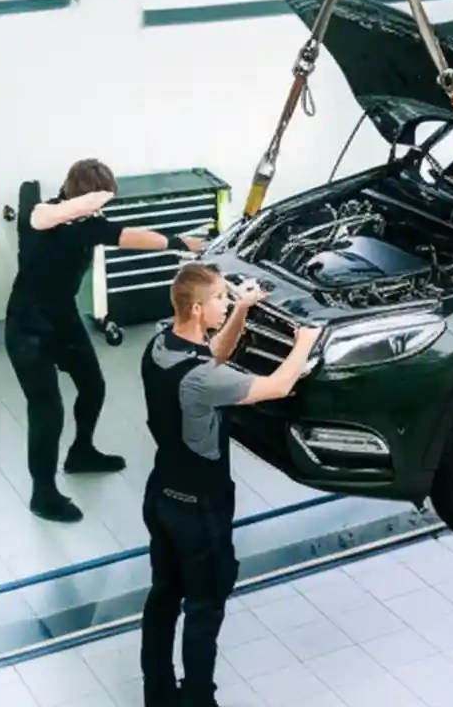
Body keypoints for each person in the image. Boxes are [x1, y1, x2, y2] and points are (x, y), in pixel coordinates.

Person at [139, 263, 320, 707]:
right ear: (197, 309)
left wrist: (242, 310)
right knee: (204, 609)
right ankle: (199, 700)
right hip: (199, 511)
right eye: (220, 297)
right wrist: (306, 341)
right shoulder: (202, 380)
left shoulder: (160, 346)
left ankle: (157, 694)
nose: (226, 301)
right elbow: (278, 386)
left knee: (164, 597)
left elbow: (212, 355)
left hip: (161, 496)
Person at [6, 158, 204, 523]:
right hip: (27, 327)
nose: (102, 209)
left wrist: (183, 244)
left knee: (93, 386)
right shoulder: (41, 218)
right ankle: (42, 494)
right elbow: (49, 214)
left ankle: (81, 453)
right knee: (47, 409)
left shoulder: (88, 225)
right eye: (100, 201)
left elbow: (128, 234)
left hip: (63, 318)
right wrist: (178, 241)